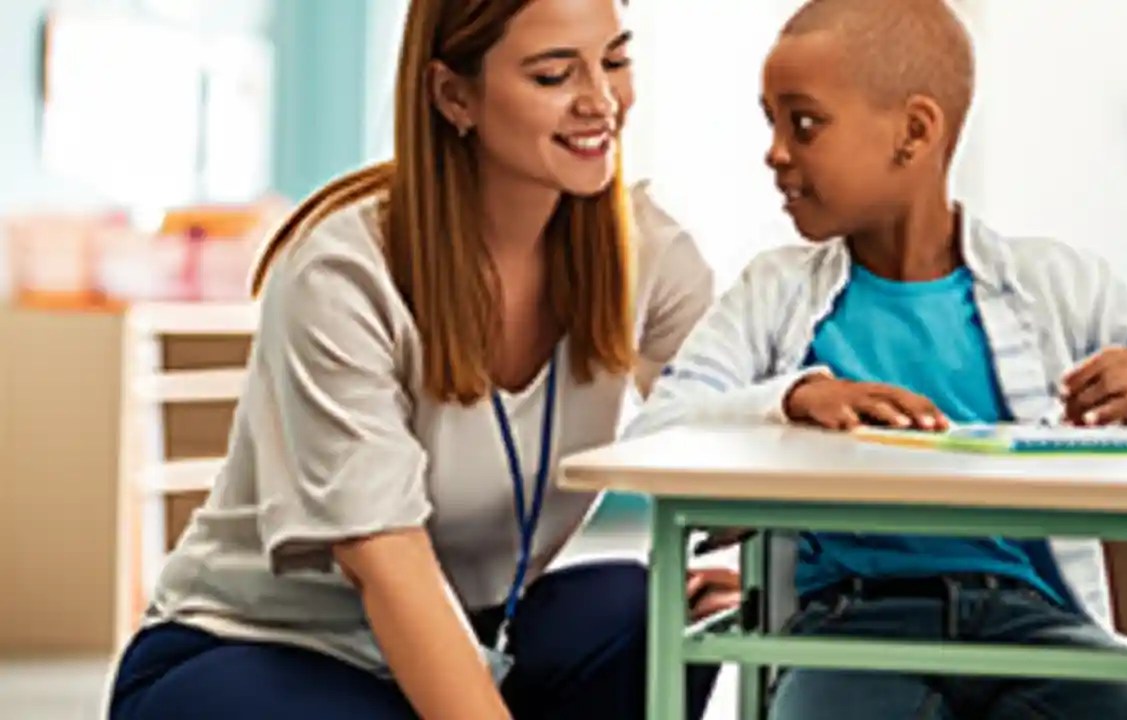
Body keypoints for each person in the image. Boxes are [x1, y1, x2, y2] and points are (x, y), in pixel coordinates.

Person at [629, 0, 1127, 718]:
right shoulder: (772, 293)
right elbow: (657, 431)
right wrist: (791, 400)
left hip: (1034, 624)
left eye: (804, 123)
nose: (776, 152)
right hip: (847, 632)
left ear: (914, 132)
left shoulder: (1051, 283)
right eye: (772, 123)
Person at [106, 1, 738, 718]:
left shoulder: (648, 253)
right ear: (453, 95)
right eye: (555, 74)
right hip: (265, 649)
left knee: (643, 610)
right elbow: (389, 566)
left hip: (475, 634)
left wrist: (793, 408)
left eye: (616, 62)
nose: (601, 101)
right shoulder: (343, 274)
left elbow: (729, 424)